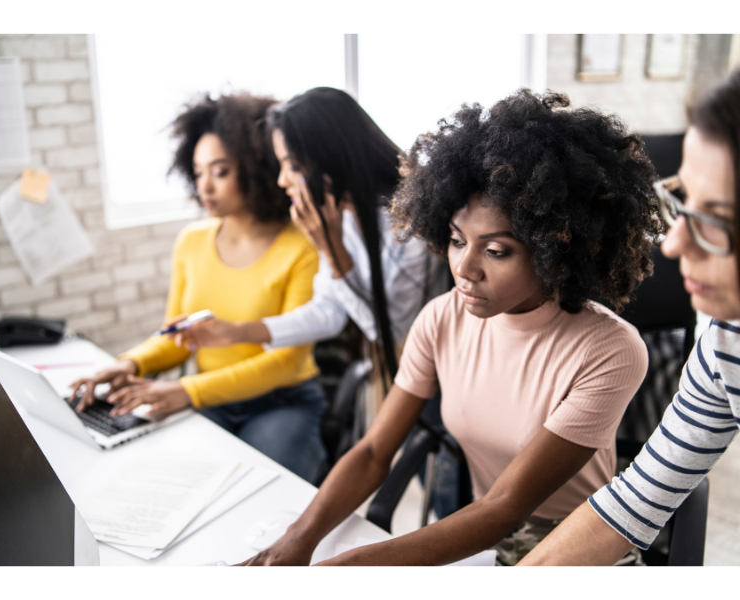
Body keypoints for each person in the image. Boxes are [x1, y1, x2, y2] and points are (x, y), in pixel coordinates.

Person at [238, 89, 662, 566]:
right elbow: (375, 450)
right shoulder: (441, 318)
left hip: (584, 545)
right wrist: (299, 538)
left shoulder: (609, 349)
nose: (465, 268)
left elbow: (505, 508)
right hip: (493, 544)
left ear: (555, 249)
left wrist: (353, 566)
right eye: (458, 241)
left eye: (496, 251)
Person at [519, 69, 740, 566]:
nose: (675, 243)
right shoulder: (727, 342)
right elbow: (631, 504)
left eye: (717, 221)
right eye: (682, 201)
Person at [70, 93, 329, 484]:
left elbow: (287, 362)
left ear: (256, 168)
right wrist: (130, 364)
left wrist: (186, 391)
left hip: (282, 403)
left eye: (220, 172)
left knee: (260, 495)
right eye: (198, 171)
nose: (204, 186)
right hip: (210, 400)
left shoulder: (302, 245)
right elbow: (175, 336)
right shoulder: (191, 242)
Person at [173, 87, 442, 394]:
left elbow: (388, 329)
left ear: (333, 158)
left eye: (293, 166)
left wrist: (331, 248)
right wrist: (235, 332)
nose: (282, 180)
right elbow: (327, 312)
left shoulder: (413, 227)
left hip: (439, 370)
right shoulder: (337, 214)